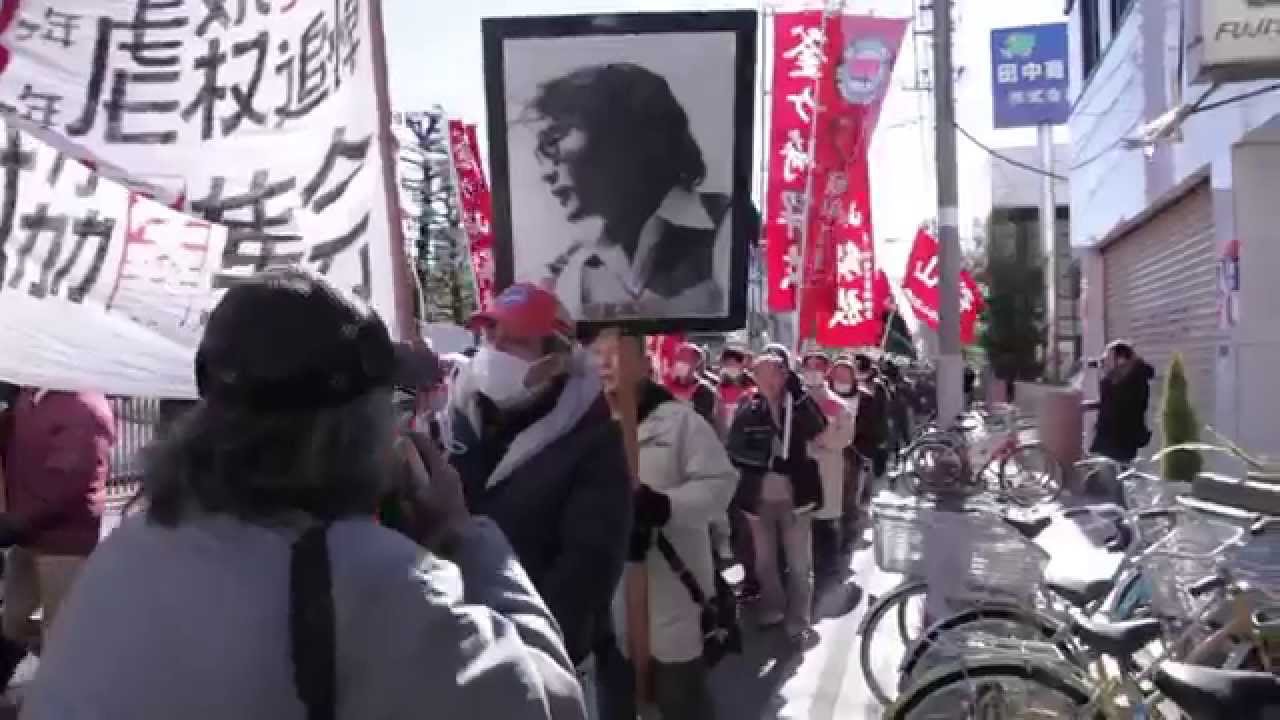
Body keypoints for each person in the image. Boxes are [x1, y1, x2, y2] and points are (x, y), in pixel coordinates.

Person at [22, 268, 585, 719]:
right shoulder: (377, 584)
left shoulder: (130, 551)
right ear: (359, 425)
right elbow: (553, 702)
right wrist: (465, 535)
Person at [447, 283, 632, 679]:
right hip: (458, 650)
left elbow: (588, 568)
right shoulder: (454, 420)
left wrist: (524, 653)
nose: (493, 353)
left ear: (557, 359)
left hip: (543, 659)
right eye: (490, 337)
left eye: (514, 342)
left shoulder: (593, 436)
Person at [593, 335, 738, 720]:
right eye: (597, 356)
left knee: (680, 697)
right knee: (614, 699)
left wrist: (664, 506)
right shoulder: (584, 425)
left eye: (616, 356)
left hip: (670, 591)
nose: (605, 364)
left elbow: (719, 483)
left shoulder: (680, 422)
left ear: (644, 363)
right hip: (606, 598)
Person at [529, 63, 734, 322]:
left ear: (620, 132)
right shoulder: (577, 267)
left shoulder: (726, 224)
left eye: (555, 138)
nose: (546, 172)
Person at [0, 385, 114, 660]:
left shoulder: (83, 408)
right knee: (12, 622)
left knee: (60, 629)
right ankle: (65, 664)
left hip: (64, 540)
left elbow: (67, 482)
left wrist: (17, 522)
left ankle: (68, 673)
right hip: (28, 535)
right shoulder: (30, 397)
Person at [726, 345, 826, 642]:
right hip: (758, 499)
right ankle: (773, 608)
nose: (768, 379)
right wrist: (765, 460)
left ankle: (799, 621)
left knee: (798, 564)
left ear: (785, 375)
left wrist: (801, 396)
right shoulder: (749, 406)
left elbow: (819, 428)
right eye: (762, 372)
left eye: (775, 372)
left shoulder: (798, 405)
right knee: (765, 561)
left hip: (797, 498)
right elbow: (735, 447)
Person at [799, 353, 856, 580]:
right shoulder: (793, 401)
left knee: (824, 522)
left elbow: (845, 437)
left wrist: (821, 441)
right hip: (800, 469)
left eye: (818, 366)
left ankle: (827, 570)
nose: (813, 371)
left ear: (826, 371)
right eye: (808, 366)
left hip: (827, 469)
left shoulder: (837, 404)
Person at [1087, 341, 1155, 465]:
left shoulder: (1135, 381)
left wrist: (1107, 379)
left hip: (1119, 445)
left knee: (1107, 480)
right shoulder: (1121, 379)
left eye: (1108, 358)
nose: (1104, 363)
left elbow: (1119, 409)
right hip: (1109, 444)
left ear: (1121, 360)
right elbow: (1109, 404)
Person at [829, 358, 867, 554]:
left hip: (852, 457)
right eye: (838, 373)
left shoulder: (866, 399)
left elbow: (875, 429)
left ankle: (846, 539)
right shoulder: (824, 398)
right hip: (827, 458)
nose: (841, 378)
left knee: (848, 500)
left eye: (845, 374)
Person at [665, 342, 719, 432]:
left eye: (684, 359)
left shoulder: (705, 391)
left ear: (696, 363)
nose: (680, 363)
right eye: (678, 358)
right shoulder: (666, 388)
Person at [715, 346, 756, 435]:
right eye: (726, 364)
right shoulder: (716, 388)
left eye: (733, 364)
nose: (730, 368)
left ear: (741, 365)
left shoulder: (752, 387)